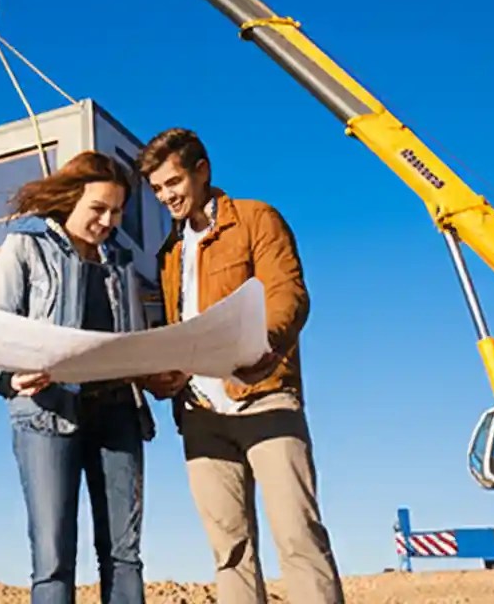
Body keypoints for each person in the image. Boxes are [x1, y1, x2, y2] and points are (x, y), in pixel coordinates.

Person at [134, 128, 344, 604]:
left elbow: (288, 293)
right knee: (229, 550)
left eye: (173, 183)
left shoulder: (255, 219)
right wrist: (162, 376)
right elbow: (176, 333)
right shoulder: (167, 255)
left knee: (298, 536)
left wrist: (264, 343)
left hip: (264, 397)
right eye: (158, 190)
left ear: (202, 170)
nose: (167, 196)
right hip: (200, 414)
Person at [0, 150, 156, 604]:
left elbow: (134, 338)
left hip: (117, 411)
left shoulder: (120, 260)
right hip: (46, 413)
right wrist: (10, 376)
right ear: (69, 199)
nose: (108, 220)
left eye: (116, 211)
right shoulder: (25, 244)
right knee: (53, 559)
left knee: (124, 555)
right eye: (98, 208)